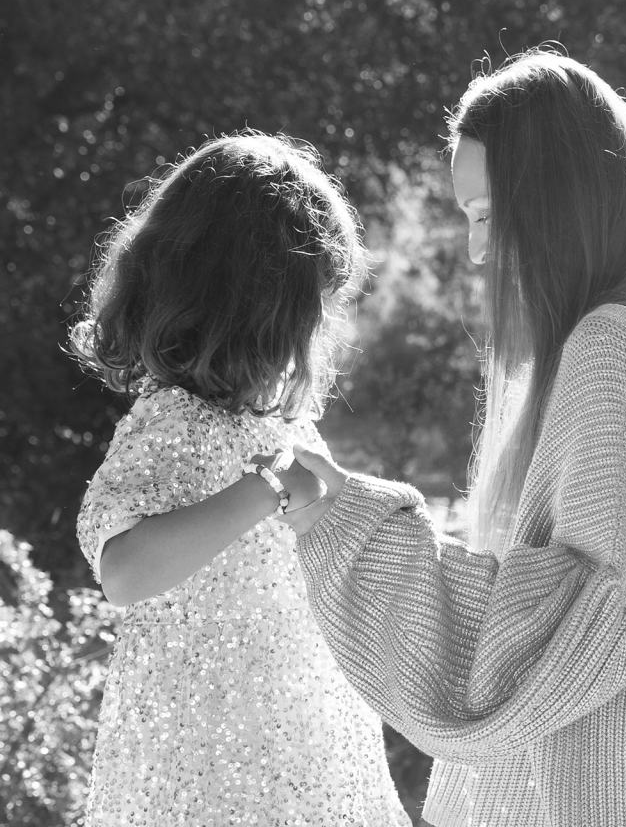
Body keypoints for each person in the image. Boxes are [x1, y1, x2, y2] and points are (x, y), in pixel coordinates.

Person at [267, 50, 626, 827]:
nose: (477, 251)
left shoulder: (618, 350)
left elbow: (585, 619)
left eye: (487, 213)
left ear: (554, 200)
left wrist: (347, 526)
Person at [71, 134, 410, 827]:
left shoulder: (283, 430)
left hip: (306, 754)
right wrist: (264, 491)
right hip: (201, 776)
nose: (318, 326)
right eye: (310, 304)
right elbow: (124, 571)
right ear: (256, 306)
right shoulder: (172, 422)